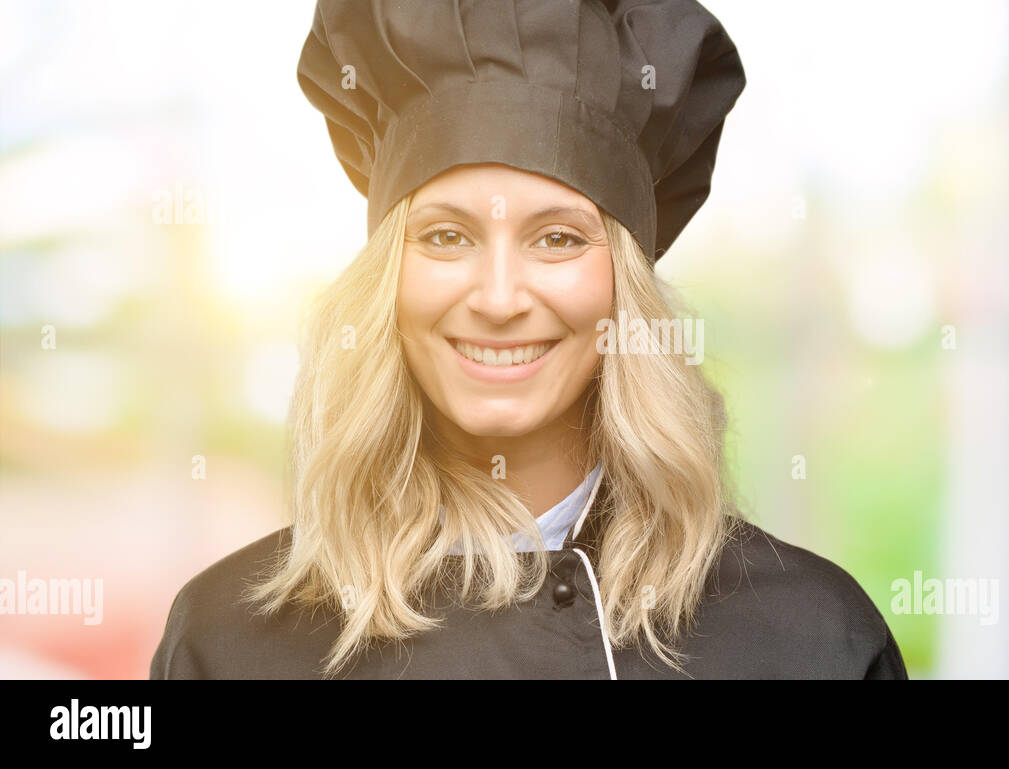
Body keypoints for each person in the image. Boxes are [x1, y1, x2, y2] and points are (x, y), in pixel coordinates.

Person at [149, 0, 907, 680]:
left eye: (557, 238)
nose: (501, 297)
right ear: (387, 284)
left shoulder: (811, 640)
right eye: (447, 236)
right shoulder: (229, 643)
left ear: (625, 291)